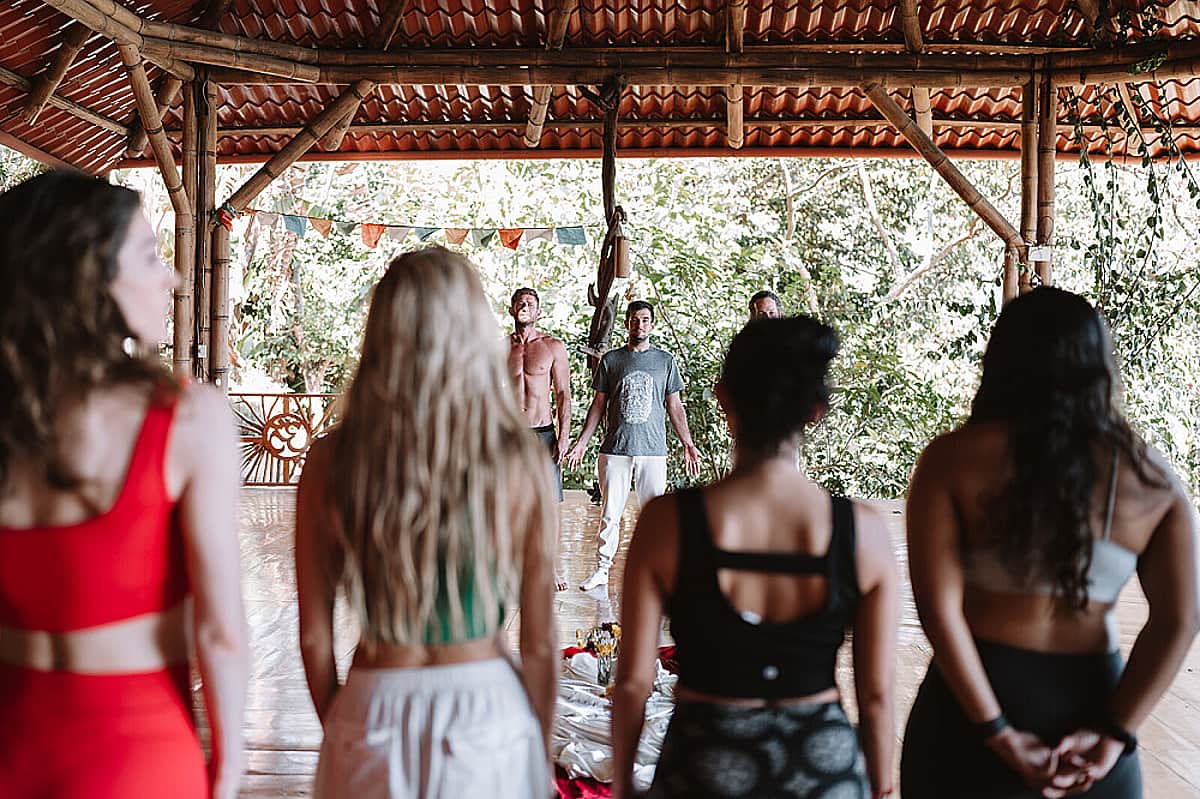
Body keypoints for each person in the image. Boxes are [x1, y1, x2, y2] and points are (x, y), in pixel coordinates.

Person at [0, 171, 248, 798]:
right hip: (134, 755)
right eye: (147, 255)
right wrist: (231, 764)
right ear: (87, 277)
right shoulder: (188, 417)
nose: (170, 277)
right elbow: (220, 630)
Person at [901, 287, 1199, 798]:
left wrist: (996, 730)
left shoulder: (950, 460)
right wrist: (1114, 734)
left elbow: (938, 612)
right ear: (1099, 365)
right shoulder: (1152, 478)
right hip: (1094, 702)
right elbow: (1182, 619)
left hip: (969, 705)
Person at [296, 247, 558, 798]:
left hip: (375, 700)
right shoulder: (519, 459)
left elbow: (316, 637)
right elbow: (538, 640)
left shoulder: (331, 459)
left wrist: (346, 729)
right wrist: (531, 736)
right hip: (486, 704)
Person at [612, 316, 897, 799]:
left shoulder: (667, 522)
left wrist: (623, 786)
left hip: (706, 763)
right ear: (817, 411)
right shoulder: (863, 529)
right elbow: (875, 696)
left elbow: (634, 684)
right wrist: (885, 791)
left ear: (722, 396)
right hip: (823, 771)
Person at [565, 300, 702, 591]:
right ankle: (602, 570)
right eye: (633, 320)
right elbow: (598, 406)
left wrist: (688, 443)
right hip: (615, 449)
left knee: (654, 515)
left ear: (652, 325)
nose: (639, 324)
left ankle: (660, 573)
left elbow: (675, 407)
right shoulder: (612, 360)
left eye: (644, 320)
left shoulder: (665, 362)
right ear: (626, 324)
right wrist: (580, 444)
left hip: (653, 452)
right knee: (610, 513)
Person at [507, 287, 571, 591]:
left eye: (531, 303)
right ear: (511, 310)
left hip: (543, 432)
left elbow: (563, 393)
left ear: (539, 312)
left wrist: (565, 435)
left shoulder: (552, 347)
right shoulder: (500, 348)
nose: (525, 306)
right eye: (520, 302)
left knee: (549, 505)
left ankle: (552, 567)